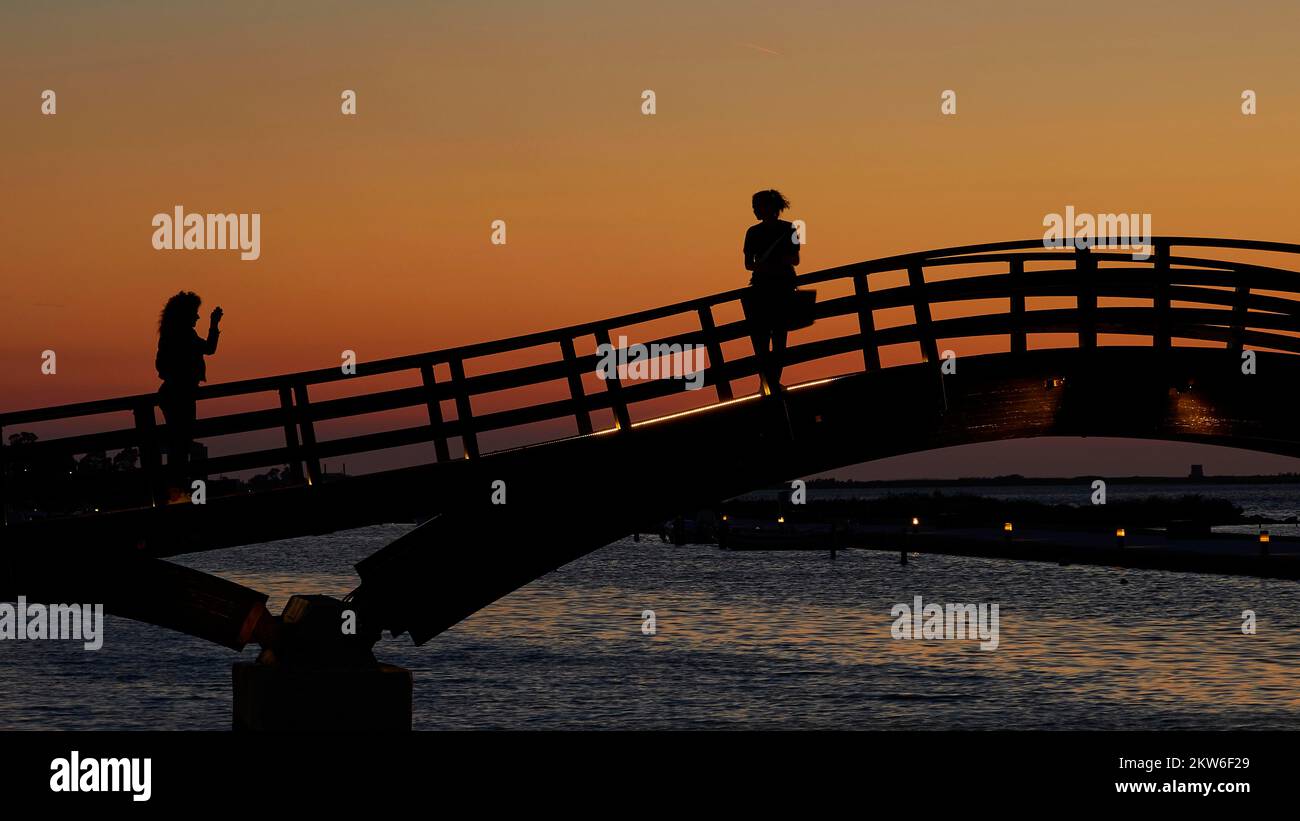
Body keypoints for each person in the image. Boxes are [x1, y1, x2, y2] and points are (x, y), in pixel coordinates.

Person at [155, 291, 222, 500]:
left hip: (174, 395)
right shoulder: (182, 335)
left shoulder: (172, 334)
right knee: (181, 445)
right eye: (195, 313)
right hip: (179, 396)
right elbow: (209, 349)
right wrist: (213, 324)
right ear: (185, 314)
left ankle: (176, 493)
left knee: (180, 444)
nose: (197, 317)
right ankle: (176, 493)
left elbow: (161, 367)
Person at [743, 189, 799, 393]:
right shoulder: (789, 228)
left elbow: (749, 264)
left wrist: (767, 266)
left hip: (764, 289)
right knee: (776, 339)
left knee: (765, 340)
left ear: (768, 207)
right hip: (782, 288)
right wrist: (777, 264)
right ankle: (771, 383)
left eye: (757, 207)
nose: (755, 211)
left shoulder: (754, 232)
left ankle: (768, 384)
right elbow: (795, 260)